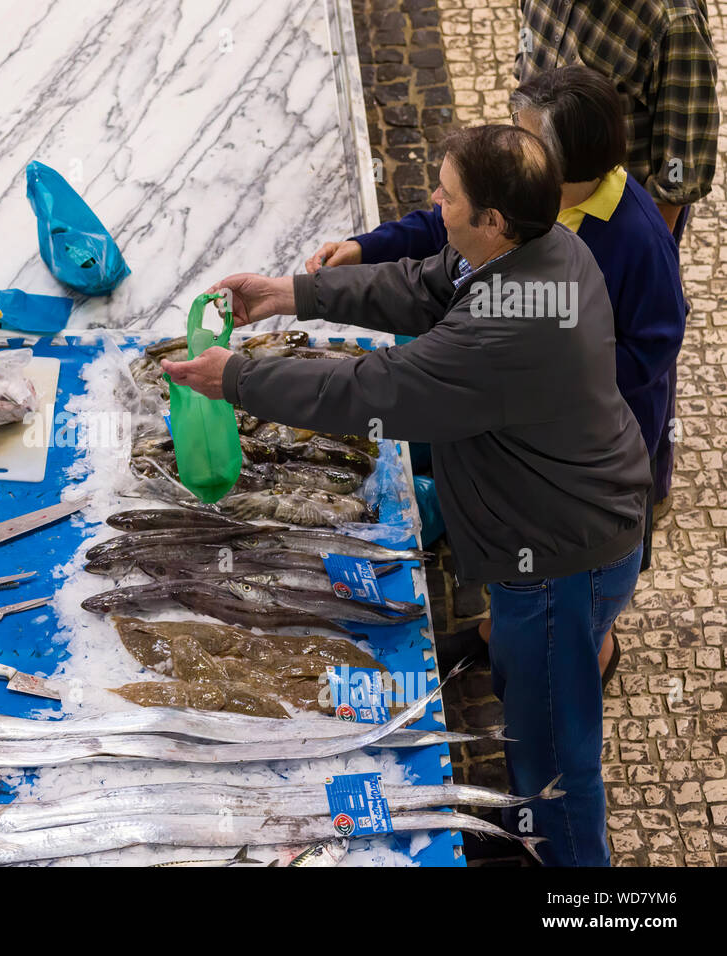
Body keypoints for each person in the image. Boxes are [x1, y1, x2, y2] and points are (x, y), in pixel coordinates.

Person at [162, 125, 650, 866]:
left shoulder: (507, 328)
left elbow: (378, 389)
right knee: (528, 664)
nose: (433, 202)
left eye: (447, 196)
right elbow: (419, 285)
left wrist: (240, 380)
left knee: (555, 753)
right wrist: (292, 293)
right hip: (552, 521)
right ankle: (505, 674)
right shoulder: (539, 250)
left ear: (492, 219)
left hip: (562, 555)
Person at [305, 66, 685, 682]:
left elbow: (655, 347)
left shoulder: (637, 239)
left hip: (590, 451)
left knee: (576, 594)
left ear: (558, 167)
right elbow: (446, 229)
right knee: (519, 557)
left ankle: (589, 662)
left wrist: (550, 373)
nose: (511, 139)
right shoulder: (519, 197)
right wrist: (367, 247)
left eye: (523, 134)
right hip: (519, 418)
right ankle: (494, 634)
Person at [518, 0, 720, 519]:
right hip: (551, 210)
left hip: (615, 230)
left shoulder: (672, 23)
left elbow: (680, 170)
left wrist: (637, 252)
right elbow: (527, 68)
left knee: (635, 361)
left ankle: (641, 489)